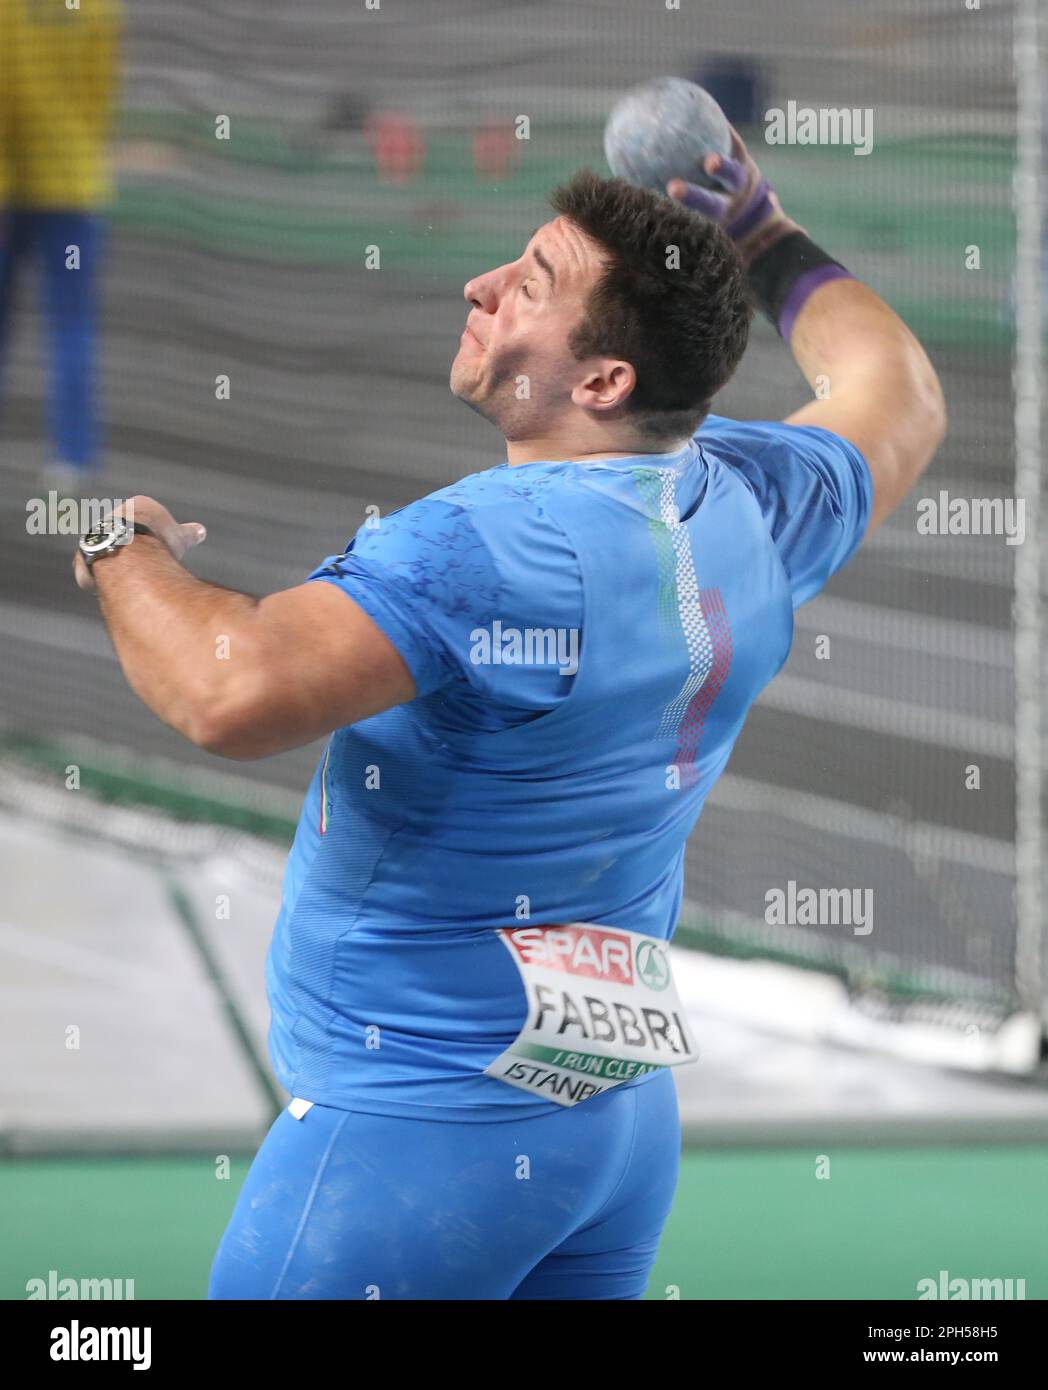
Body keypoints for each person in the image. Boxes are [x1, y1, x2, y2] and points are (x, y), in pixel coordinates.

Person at [70, 123, 945, 1300]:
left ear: (601, 381)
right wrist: (765, 233)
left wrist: (123, 547)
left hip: (409, 1146)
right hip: (612, 1123)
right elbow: (899, 393)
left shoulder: (491, 544)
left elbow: (229, 688)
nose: (479, 286)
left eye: (527, 285)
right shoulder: (751, 499)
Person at [0, 0, 123, 494]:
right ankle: (72, 455)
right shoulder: (98, 8)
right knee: (73, 328)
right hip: (75, 186)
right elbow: (100, 89)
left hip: (10, 190)